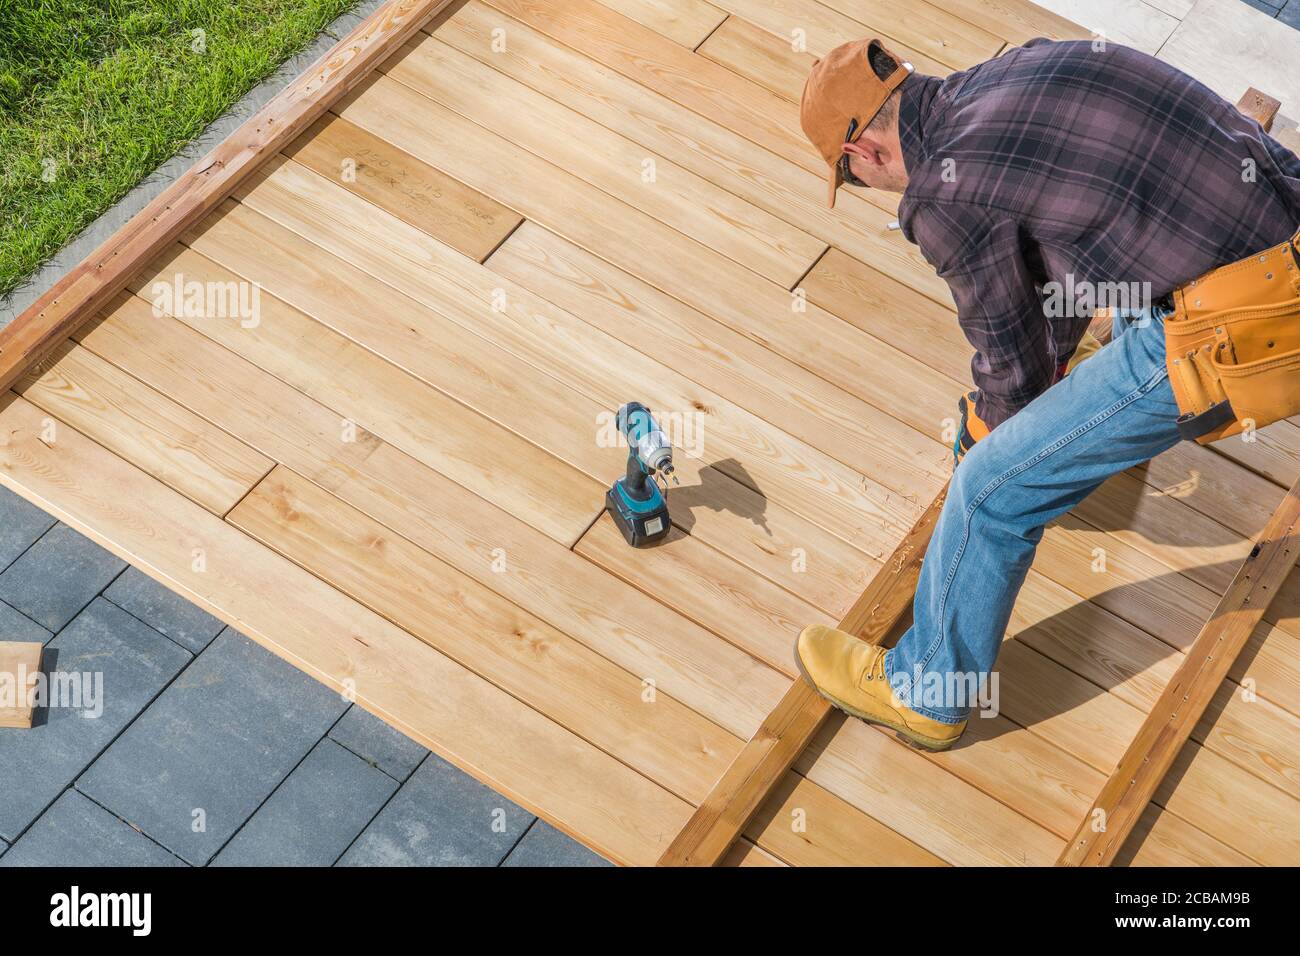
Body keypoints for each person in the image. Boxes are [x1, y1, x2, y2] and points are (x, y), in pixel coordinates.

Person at [794, 37, 1300, 750]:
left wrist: (990, 433)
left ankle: (927, 693)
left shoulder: (941, 194)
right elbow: (1054, 259)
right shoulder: (1022, 63)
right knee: (1111, 282)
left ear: (863, 155)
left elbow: (1011, 363)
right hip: (1279, 218)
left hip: (1252, 321)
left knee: (991, 492)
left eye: (854, 182)